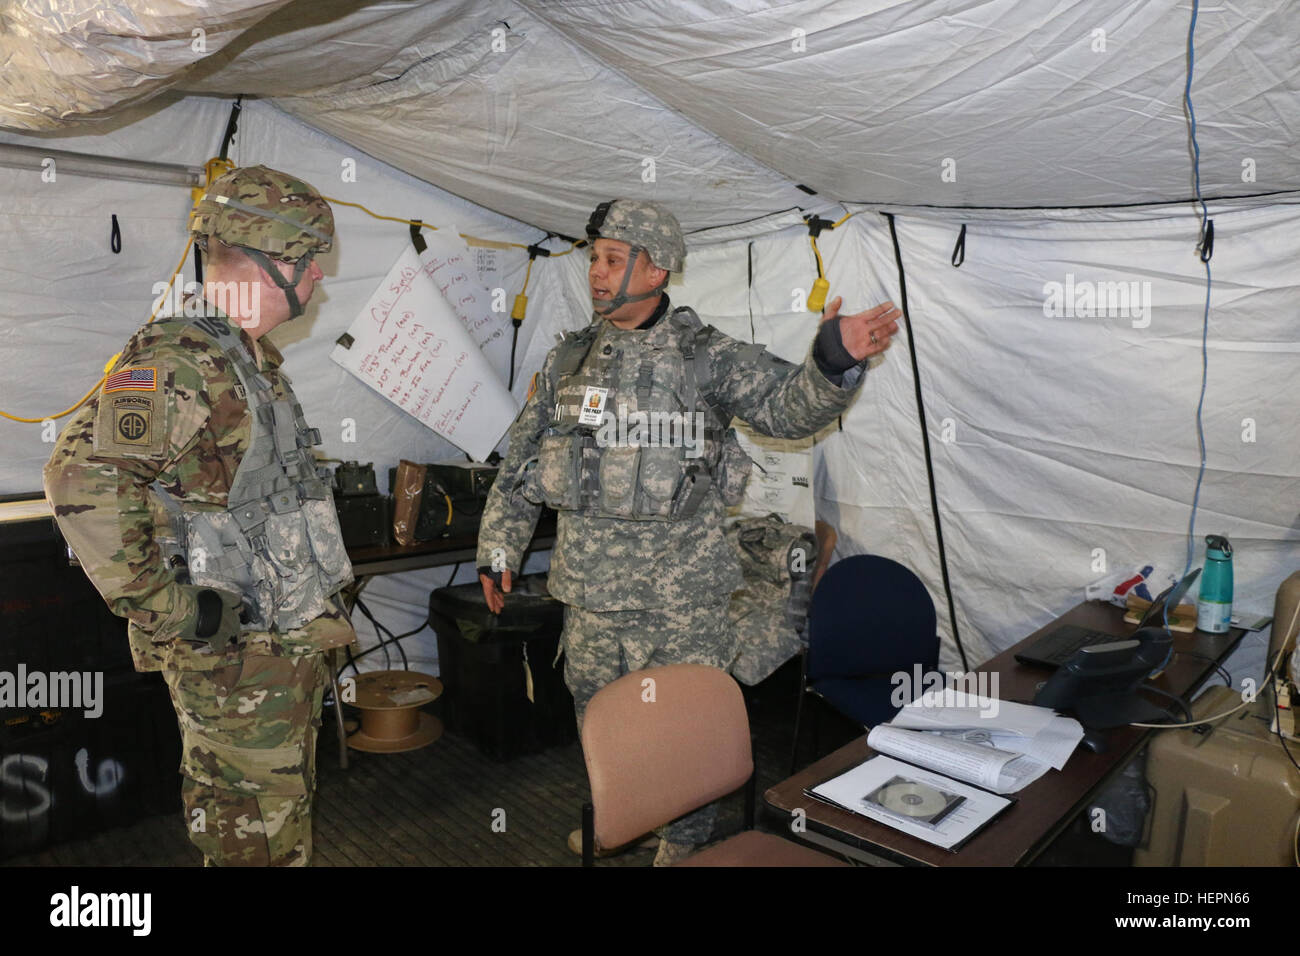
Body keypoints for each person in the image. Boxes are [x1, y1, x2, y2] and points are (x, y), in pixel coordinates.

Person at [476, 199, 901, 864]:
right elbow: (523, 463)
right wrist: (499, 547)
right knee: (605, 739)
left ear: (657, 270)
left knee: (683, 750)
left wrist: (831, 359)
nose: (596, 271)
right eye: (594, 257)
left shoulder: (704, 358)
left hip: (679, 609)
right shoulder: (567, 361)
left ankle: (683, 852)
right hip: (588, 604)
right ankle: (629, 821)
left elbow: (789, 408)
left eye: (614, 258)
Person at [43, 165, 357, 866]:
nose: (316, 283)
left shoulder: (248, 357)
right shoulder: (181, 359)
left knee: (272, 828)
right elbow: (80, 476)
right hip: (235, 665)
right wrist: (171, 607)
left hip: (273, 655)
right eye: (311, 267)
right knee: (252, 839)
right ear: (279, 262)